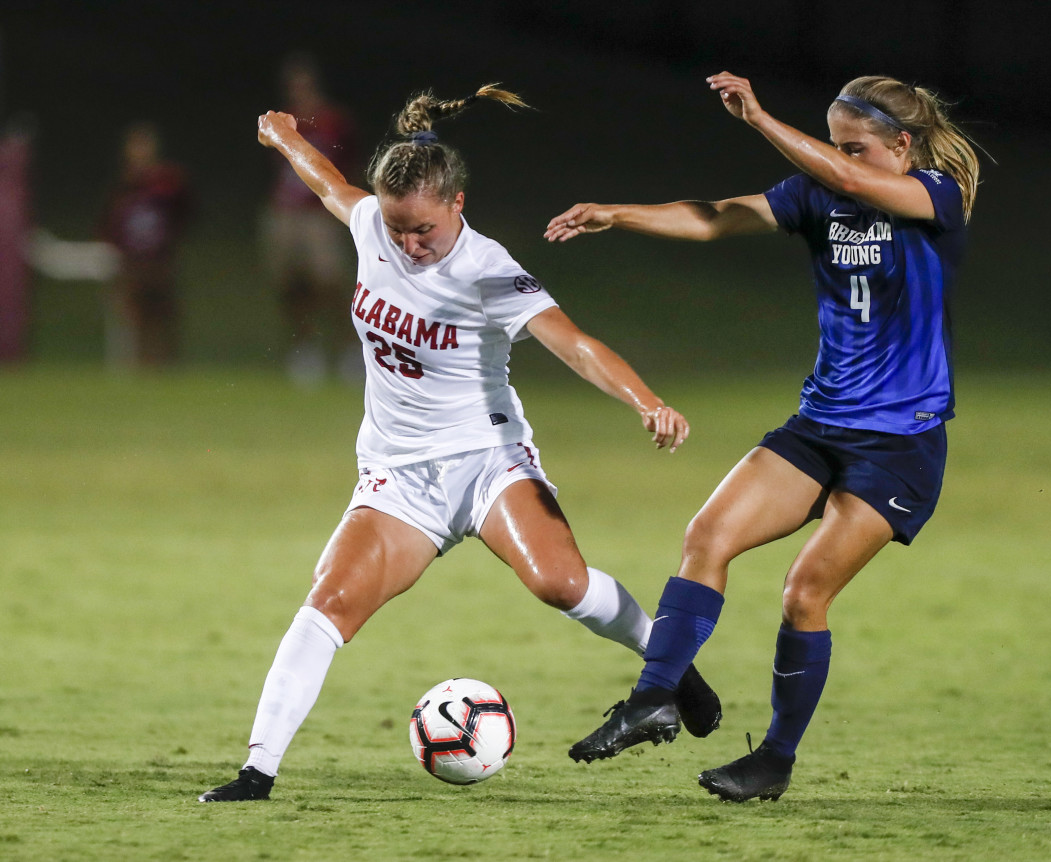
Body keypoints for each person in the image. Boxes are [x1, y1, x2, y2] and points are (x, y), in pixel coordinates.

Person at [199, 83, 722, 802]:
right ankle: (256, 771)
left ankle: (670, 667)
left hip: (488, 462)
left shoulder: (489, 270)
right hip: (398, 477)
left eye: (424, 230)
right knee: (328, 604)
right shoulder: (372, 227)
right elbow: (329, 183)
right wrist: (284, 135)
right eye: (397, 227)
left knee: (559, 583)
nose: (409, 244)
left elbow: (571, 344)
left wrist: (646, 400)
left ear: (457, 206)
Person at [545, 71, 981, 802]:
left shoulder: (935, 196)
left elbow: (841, 174)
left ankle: (773, 761)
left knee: (804, 593)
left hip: (899, 443)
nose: (841, 159)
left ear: (903, 145)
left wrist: (759, 119)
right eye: (839, 145)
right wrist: (618, 214)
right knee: (707, 536)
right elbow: (717, 216)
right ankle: (653, 700)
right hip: (819, 425)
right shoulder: (821, 193)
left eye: (858, 147)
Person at [262, 53, 360, 385]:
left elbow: (351, 159)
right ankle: (304, 349)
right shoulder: (283, 121)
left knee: (330, 281)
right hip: (286, 210)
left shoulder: (333, 120)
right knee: (291, 285)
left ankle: (349, 347)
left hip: (321, 211)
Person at [98, 122, 192, 366]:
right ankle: (139, 366)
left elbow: (184, 210)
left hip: (159, 258)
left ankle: (164, 365)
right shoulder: (122, 185)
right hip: (132, 260)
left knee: (162, 315)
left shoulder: (166, 181)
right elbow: (109, 221)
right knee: (133, 315)